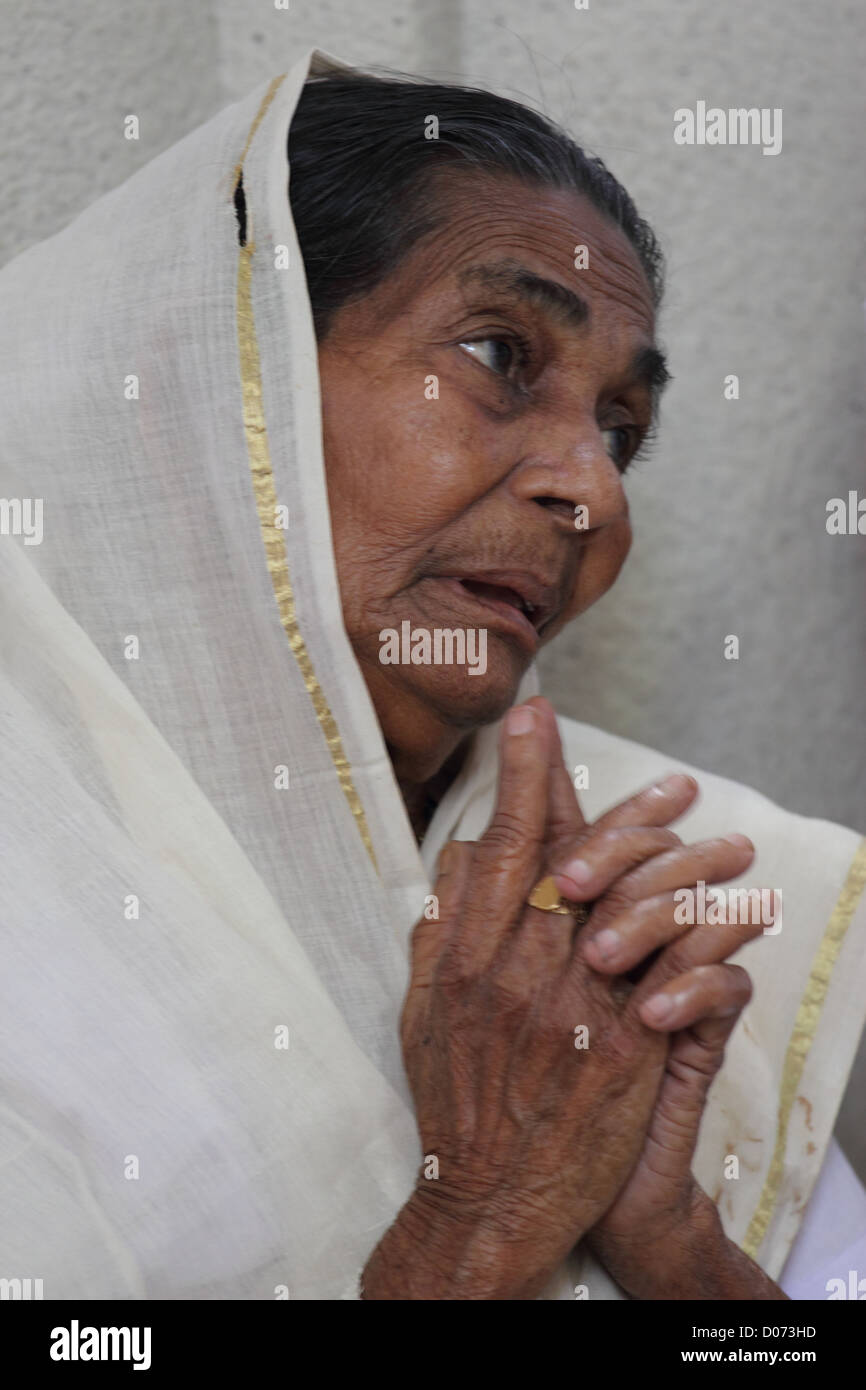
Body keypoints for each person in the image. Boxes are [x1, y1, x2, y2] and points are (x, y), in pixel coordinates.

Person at [0, 46, 863, 1300]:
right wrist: (483, 1214)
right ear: (209, 382)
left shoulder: (666, 907)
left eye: (622, 431)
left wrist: (671, 1249)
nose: (596, 491)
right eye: (499, 355)